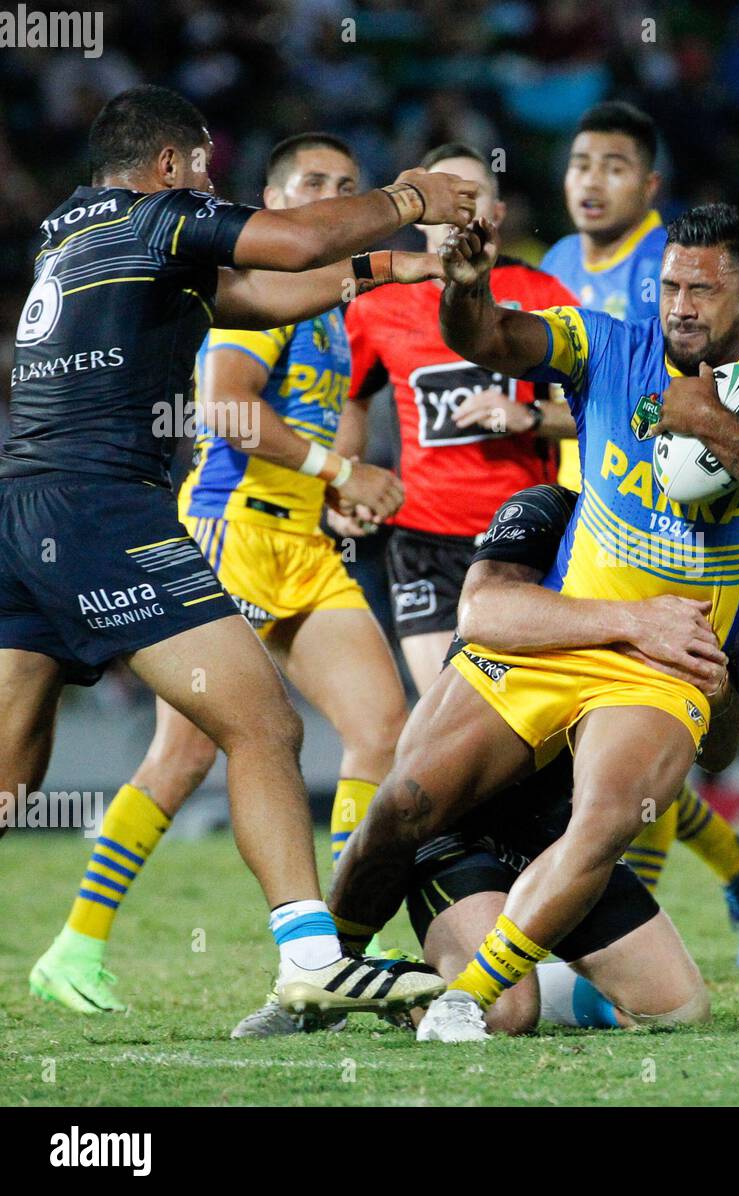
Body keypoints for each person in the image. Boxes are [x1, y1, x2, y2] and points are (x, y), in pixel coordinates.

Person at [1, 85, 476, 1019]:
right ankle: (312, 954)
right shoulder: (159, 215)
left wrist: (385, 265)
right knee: (262, 727)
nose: (209, 179)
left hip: (21, 509)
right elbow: (292, 248)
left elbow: (260, 298)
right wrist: (411, 196)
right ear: (172, 165)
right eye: (205, 164)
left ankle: (300, 951)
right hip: (109, 510)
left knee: (11, 777)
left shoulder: (68, 230)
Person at [331, 202, 739, 1042]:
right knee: (407, 800)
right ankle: (320, 972)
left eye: (703, 291)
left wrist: (710, 420)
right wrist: (464, 287)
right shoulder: (607, 345)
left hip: (659, 666)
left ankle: (469, 995)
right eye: (671, 285)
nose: (680, 305)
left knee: (620, 857)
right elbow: (490, 339)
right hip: (570, 634)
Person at [541, 101, 739, 962]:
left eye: (613, 166)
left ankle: (627, 930)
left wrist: (533, 418)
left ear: (647, 184)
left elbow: (663, 400)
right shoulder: (555, 262)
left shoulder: (670, 263)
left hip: (675, 523)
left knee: (644, 724)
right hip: (585, 516)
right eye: (580, 164)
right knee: (599, 734)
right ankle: (737, 863)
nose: (592, 181)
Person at [404, 481, 739, 1036]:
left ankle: (544, 983)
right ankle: (388, 984)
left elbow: (721, 755)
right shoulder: (547, 515)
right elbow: (480, 611)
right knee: (507, 1015)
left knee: (680, 1013)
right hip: (467, 828)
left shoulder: (697, 570)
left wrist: (720, 690)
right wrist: (629, 621)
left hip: (564, 845)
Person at [342, 142, 577, 694]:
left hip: (524, 536)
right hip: (424, 541)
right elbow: (353, 397)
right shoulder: (378, 305)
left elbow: (594, 408)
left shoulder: (543, 296)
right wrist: (347, 474)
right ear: (419, 211)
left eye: (471, 198)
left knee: (517, 721)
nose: (456, 210)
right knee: (442, 715)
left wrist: (527, 415)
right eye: (444, 196)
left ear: (496, 216)